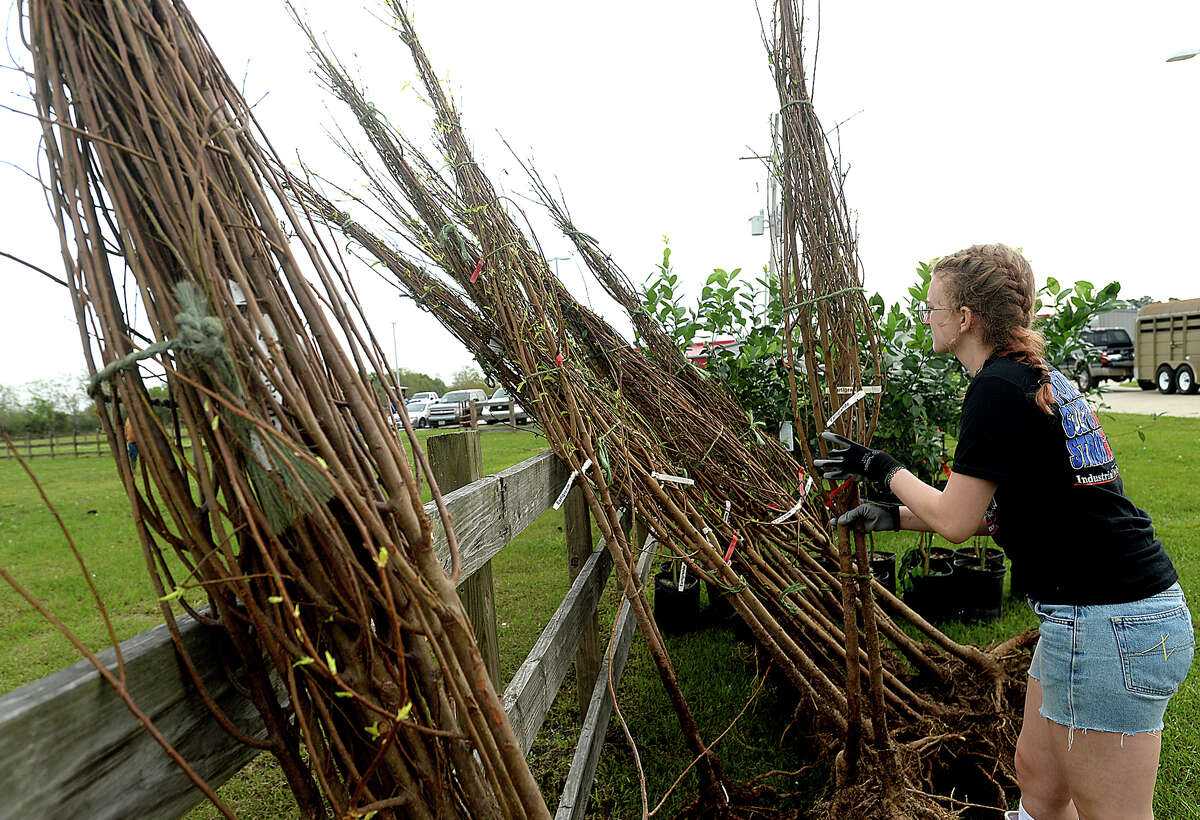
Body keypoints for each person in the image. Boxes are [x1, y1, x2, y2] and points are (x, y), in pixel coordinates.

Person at [816, 243, 1194, 820]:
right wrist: (893, 514)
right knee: (1040, 786)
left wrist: (881, 468)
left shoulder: (996, 387)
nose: (926, 317)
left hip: (1108, 622)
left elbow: (956, 521)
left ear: (965, 317)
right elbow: (1004, 509)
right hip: (1092, 616)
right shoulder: (1030, 378)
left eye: (932, 306)